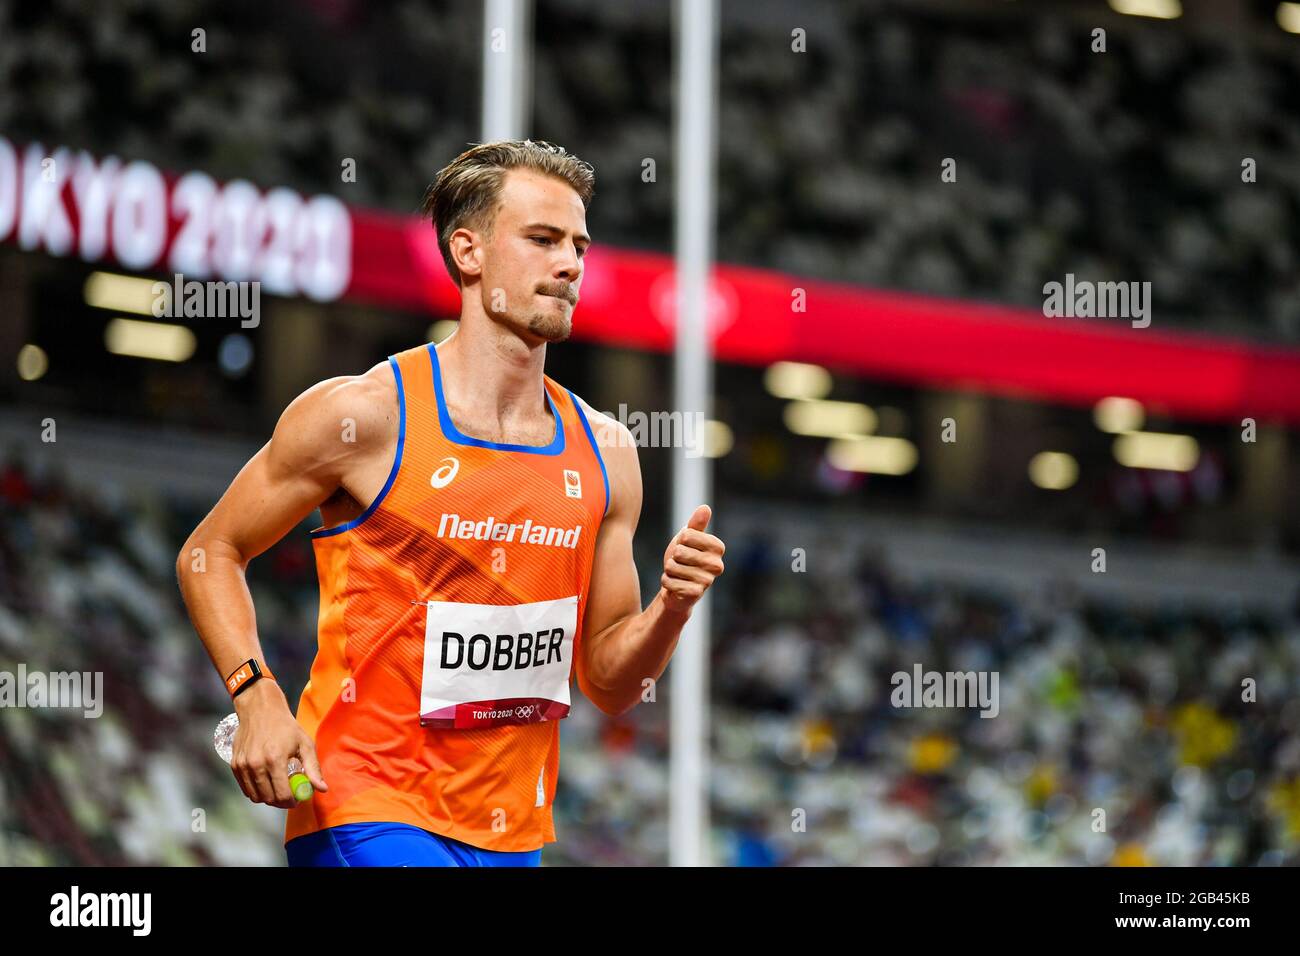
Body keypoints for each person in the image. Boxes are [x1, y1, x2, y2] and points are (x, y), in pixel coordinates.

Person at [176, 140, 725, 867]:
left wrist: (672, 610)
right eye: (542, 240)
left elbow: (610, 683)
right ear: (468, 252)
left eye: (578, 245)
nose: (570, 264)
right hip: (366, 805)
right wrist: (255, 695)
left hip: (511, 833)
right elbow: (210, 551)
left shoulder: (607, 453)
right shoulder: (366, 417)